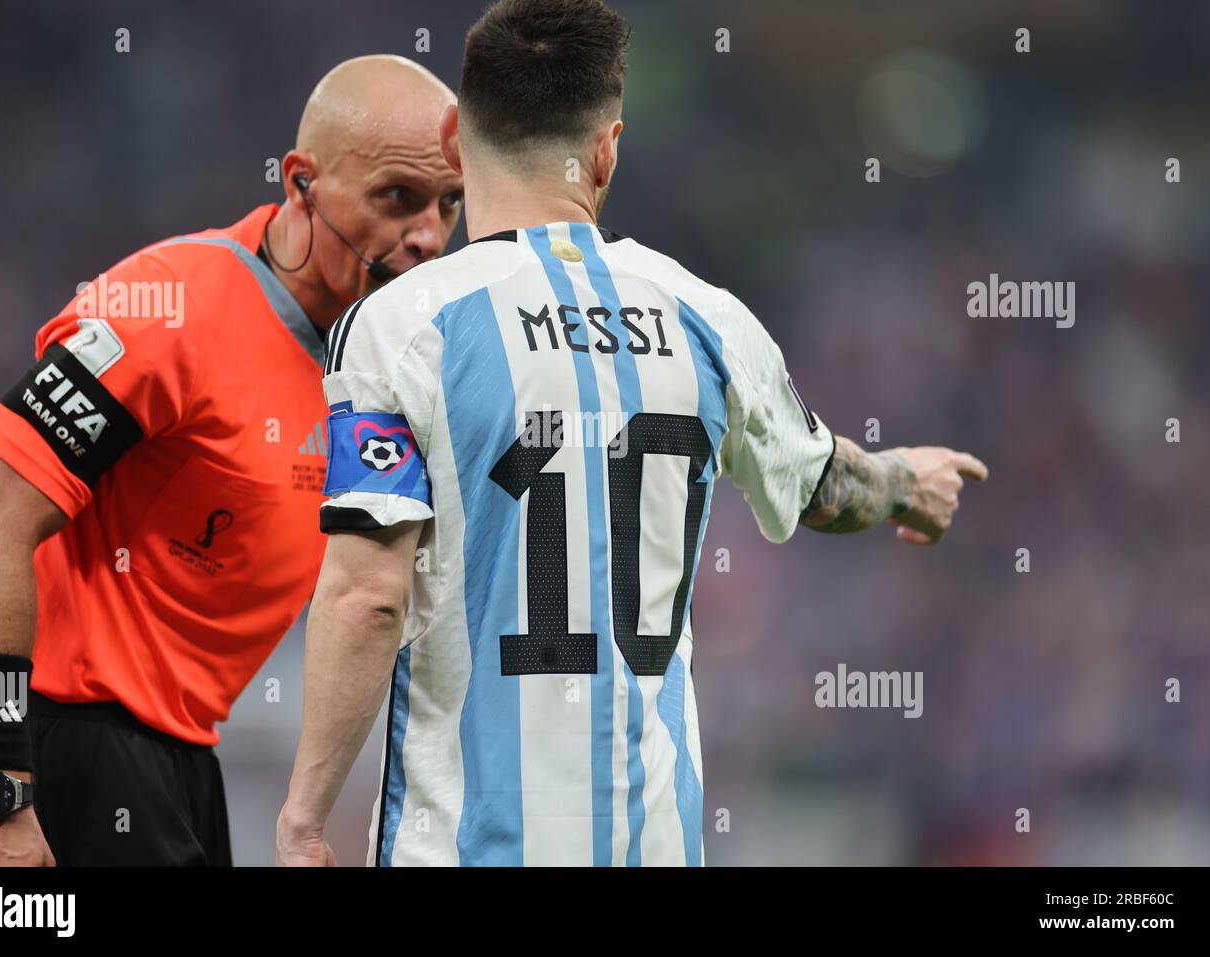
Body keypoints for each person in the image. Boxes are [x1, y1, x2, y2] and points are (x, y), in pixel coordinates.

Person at [274, 0, 987, 867]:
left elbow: (367, 596)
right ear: (606, 149)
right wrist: (906, 480)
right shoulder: (706, 318)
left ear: (456, 138)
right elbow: (825, 486)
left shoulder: (403, 326)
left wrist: (304, 818)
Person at [0, 54, 463, 866]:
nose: (427, 236)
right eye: (398, 198)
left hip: (180, 763)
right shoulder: (170, 306)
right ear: (301, 185)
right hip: (63, 754)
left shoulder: (380, 365)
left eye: (449, 205)